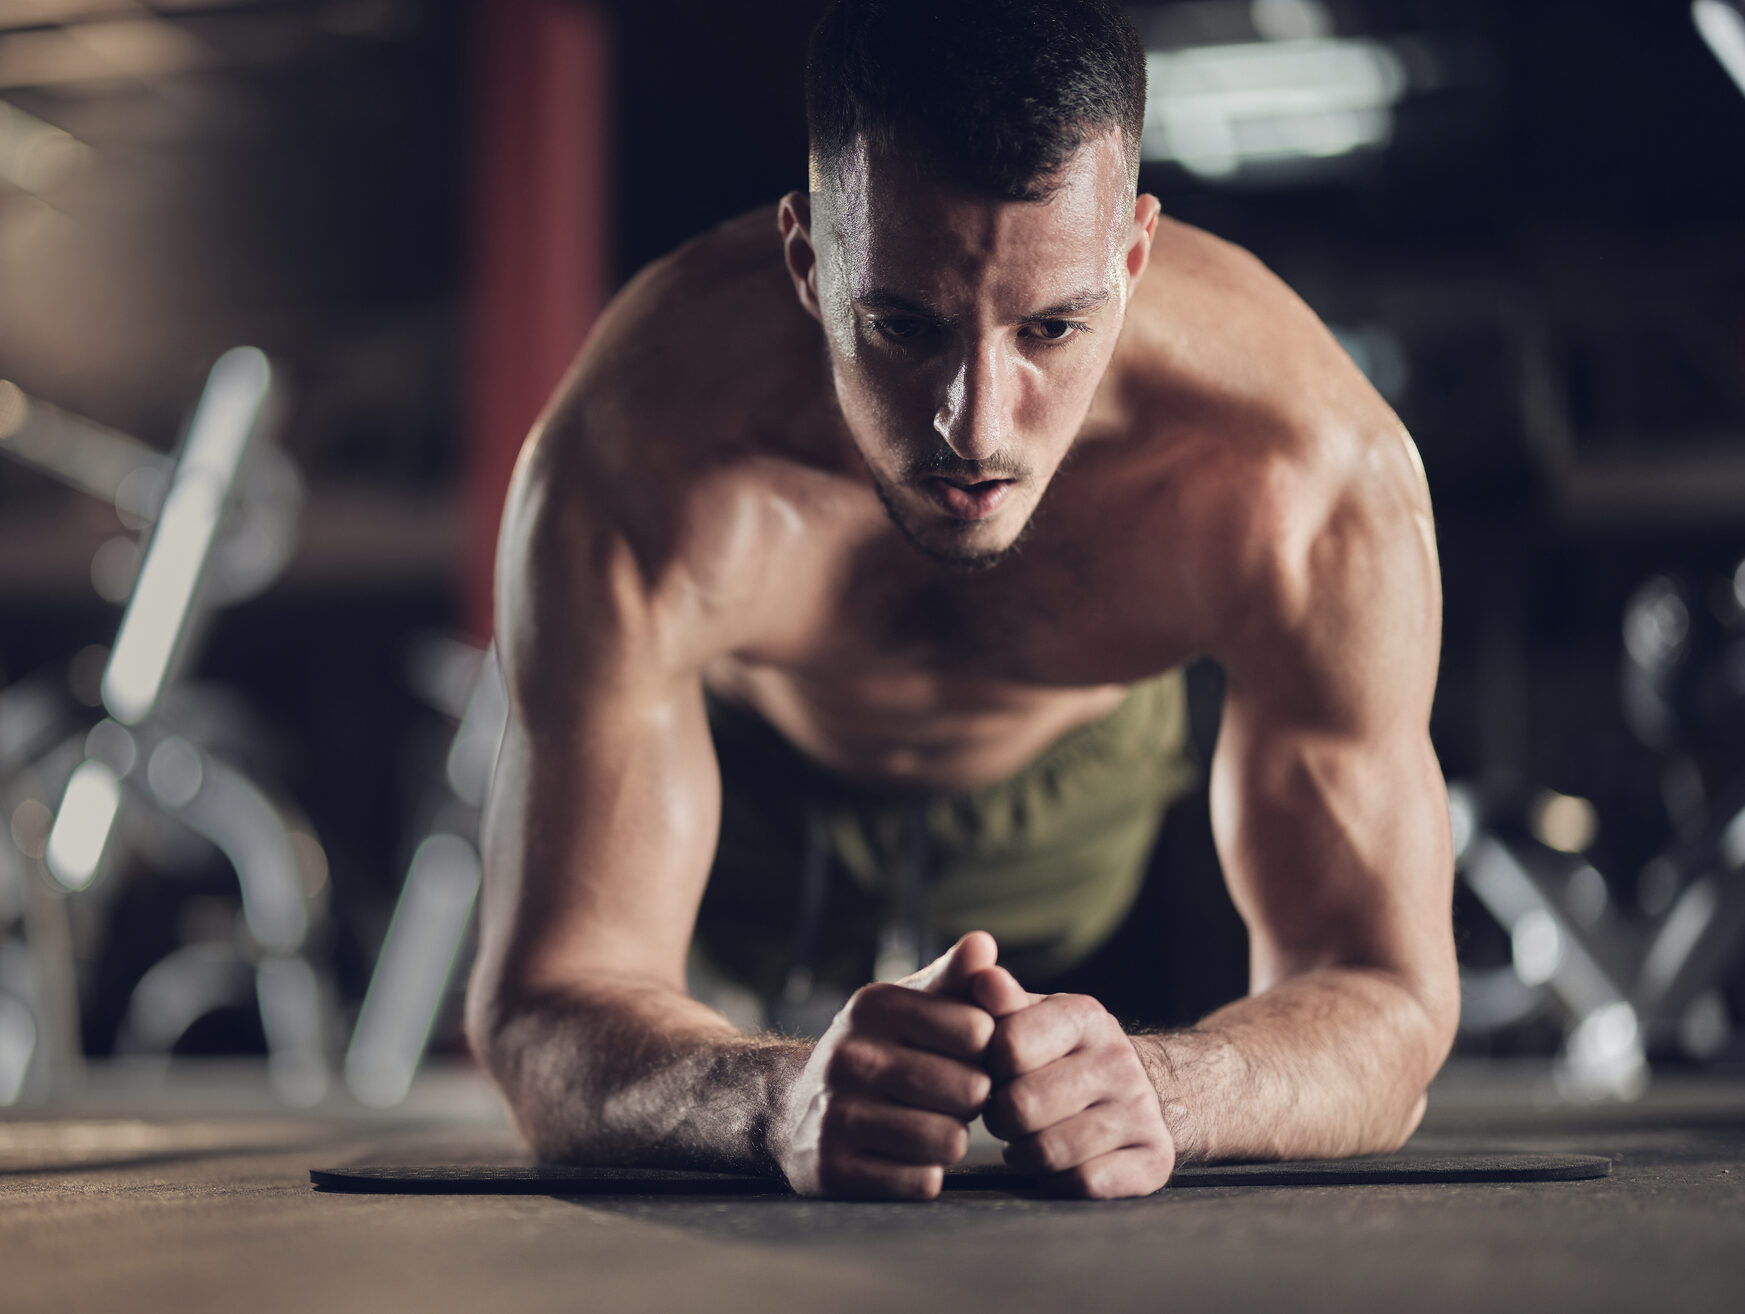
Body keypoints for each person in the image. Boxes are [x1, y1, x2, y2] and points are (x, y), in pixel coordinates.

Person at [466, 0, 1458, 1201]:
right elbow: (542, 1007)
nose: (974, 427)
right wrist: (775, 1100)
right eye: (902, 324)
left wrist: (1167, 1089)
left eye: (1051, 327)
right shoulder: (635, 451)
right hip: (758, 810)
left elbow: (1389, 995)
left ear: (1130, 260)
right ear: (809, 262)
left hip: (1068, 804)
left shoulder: (1301, 471)